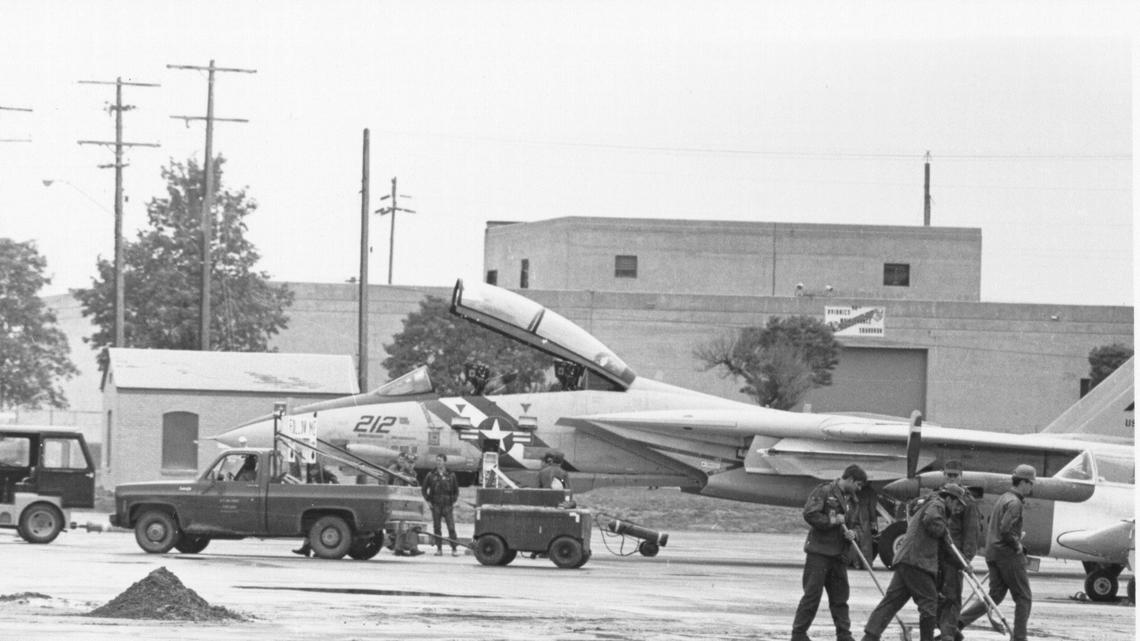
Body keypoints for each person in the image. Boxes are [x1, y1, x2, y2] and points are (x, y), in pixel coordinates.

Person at [958, 464, 1036, 641]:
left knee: (995, 596)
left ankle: (958, 623)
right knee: (1024, 597)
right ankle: (1020, 637)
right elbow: (1006, 529)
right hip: (1007, 554)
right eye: (1031, 483)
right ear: (1023, 482)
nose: (1032, 487)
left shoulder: (1004, 498)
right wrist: (1017, 546)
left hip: (992, 553)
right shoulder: (1015, 503)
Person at [790, 464, 867, 641]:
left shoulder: (853, 501)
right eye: (858, 484)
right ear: (850, 479)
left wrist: (854, 534)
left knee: (840, 598)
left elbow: (859, 526)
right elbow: (810, 514)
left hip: (839, 555)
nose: (859, 489)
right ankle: (799, 634)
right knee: (812, 596)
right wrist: (833, 520)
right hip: (819, 553)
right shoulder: (825, 491)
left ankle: (844, 635)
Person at [936, 462, 980, 641]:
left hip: (955, 557)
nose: (951, 478)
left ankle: (948, 635)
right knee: (935, 596)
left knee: (952, 597)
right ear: (943, 475)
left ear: (961, 477)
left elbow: (971, 532)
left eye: (955, 475)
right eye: (948, 475)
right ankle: (950, 632)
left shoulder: (967, 502)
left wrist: (965, 559)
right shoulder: (937, 497)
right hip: (935, 556)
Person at [422, 453, 460, 556]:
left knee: (451, 527)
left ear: (444, 462)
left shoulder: (451, 475)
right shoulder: (431, 475)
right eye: (437, 460)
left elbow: (456, 490)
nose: (438, 462)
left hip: (448, 505)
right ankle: (439, 549)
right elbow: (424, 489)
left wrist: (454, 501)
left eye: (440, 460)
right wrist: (428, 502)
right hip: (436, 504)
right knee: (437, 527)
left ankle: (454, 548)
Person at [390, 452, 424, 557]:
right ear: (405, 463)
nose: (411, 465)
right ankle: (405, 548)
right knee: (404, 526)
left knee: (409, 526)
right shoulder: (401, 475)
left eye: (412, 463)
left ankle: (402, 548)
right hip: (403, 504)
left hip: (412, 504)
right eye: (409, 463)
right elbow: (398, 490)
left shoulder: (413, 474)